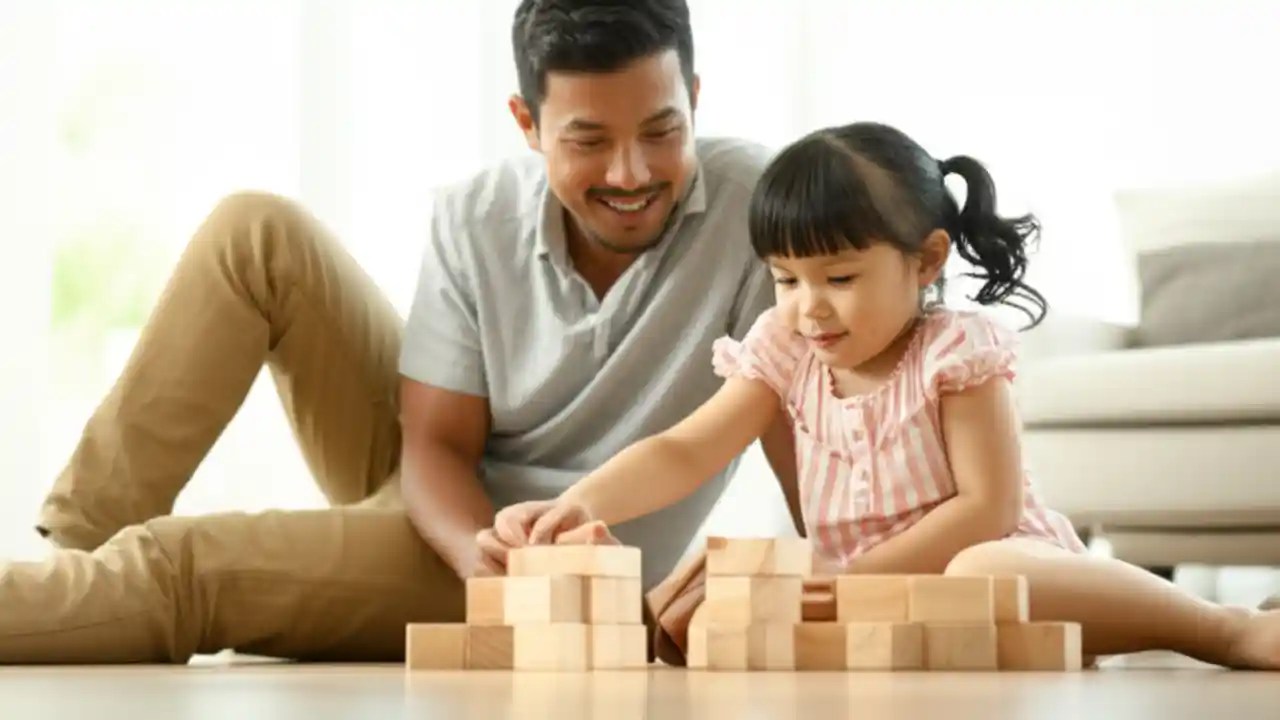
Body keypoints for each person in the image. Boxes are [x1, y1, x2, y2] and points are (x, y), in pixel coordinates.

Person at [0, 0, 790, 663]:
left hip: (549, 582)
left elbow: (819, 417)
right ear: (526, 122)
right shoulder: (477, 216)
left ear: (693, 96)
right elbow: (434, 445)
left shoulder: (767, 214)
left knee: (185, 565)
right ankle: (75, 577)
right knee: (256, 233)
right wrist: (473, 552)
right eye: (588, 141)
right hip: (460, 524)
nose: (630, 173)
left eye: (662, 130)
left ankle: (83, 600)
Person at [490, 121, 1280, 670]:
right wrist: (582, 504)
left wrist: (850, 582)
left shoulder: (953, 353)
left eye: (839, 278)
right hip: (865, 602)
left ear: (926, 260)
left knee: (979, 571)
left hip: (991, 570)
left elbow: (988, 510)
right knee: (696, 596)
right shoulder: (784, 348)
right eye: (786, 279)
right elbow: (685, 448)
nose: (810, 306)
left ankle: (1223, 628)